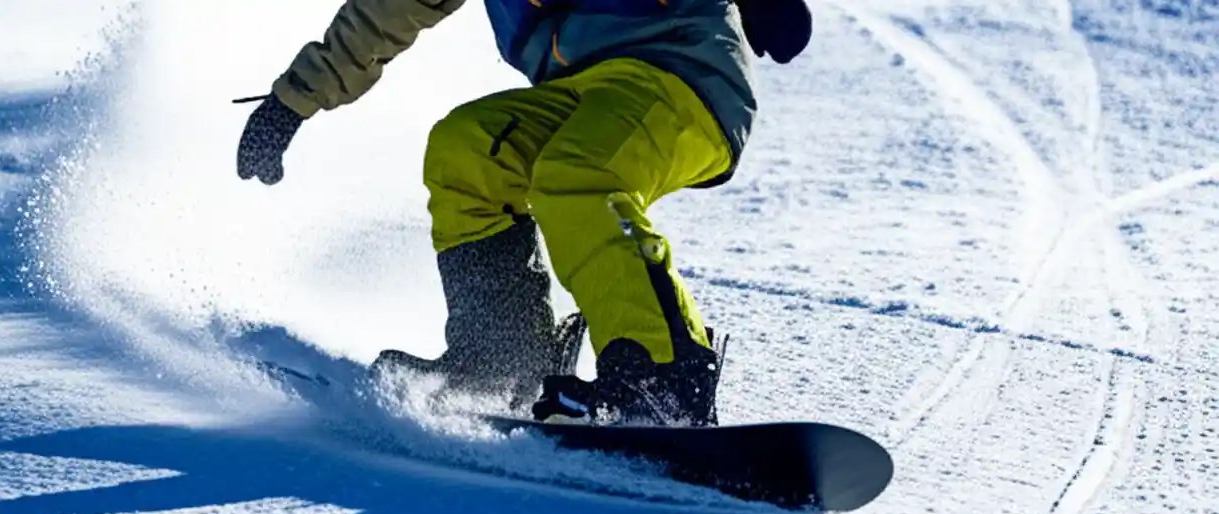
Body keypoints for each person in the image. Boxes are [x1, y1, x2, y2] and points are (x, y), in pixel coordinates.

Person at [237, 0, 812, 426]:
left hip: (682, 74)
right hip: (583, 90)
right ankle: (506, 359)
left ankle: (665, 378)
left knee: (576, 174)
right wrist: (292, 103)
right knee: (468, 150)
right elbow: (385, 12)